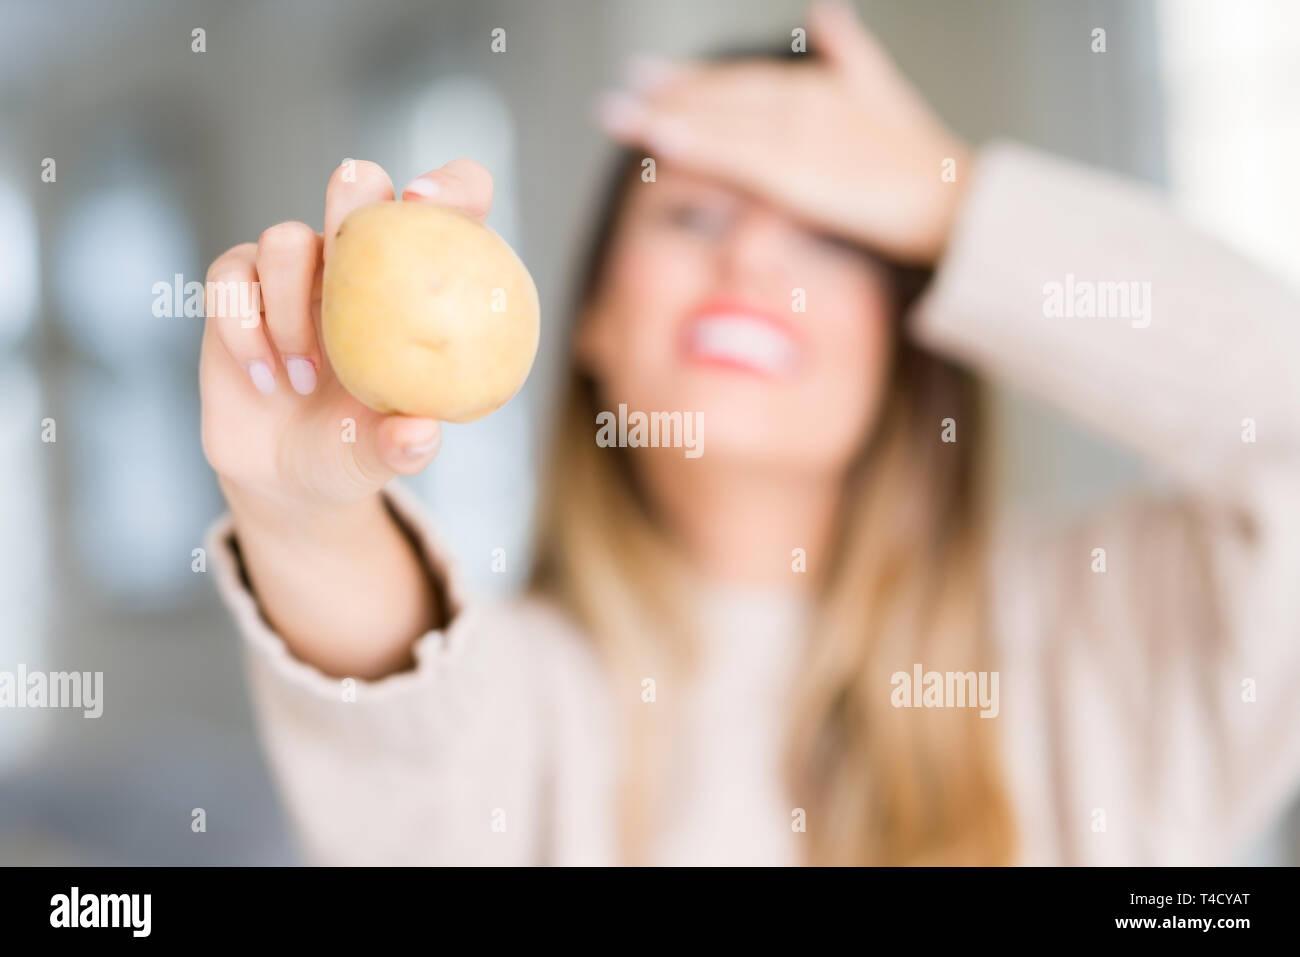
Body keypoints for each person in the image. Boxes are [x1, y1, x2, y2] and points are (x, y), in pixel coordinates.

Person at [200, 1, 1300, 864]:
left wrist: (952, 197)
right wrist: (304, 517)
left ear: (917, 325)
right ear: (591, 320)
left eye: (835, 238)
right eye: (695, 216)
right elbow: (398, 711)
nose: (755, 263)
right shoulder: (528, 713)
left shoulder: (1111, 651)